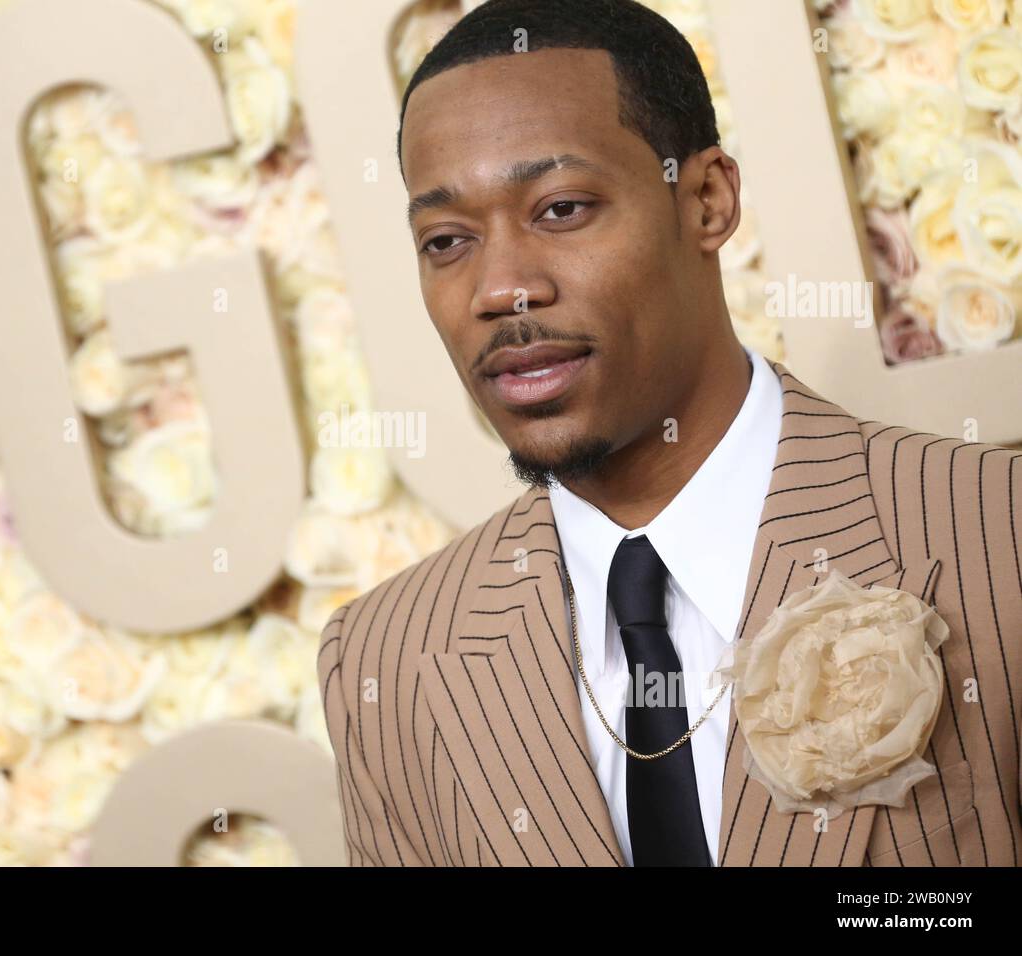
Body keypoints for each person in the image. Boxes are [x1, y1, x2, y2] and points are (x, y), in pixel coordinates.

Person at [317, 0, 1021, 866]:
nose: (499, 289)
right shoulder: (389, 658)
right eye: (447, 239)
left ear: (708, 201)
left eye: (562, 208)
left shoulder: (999, 534)